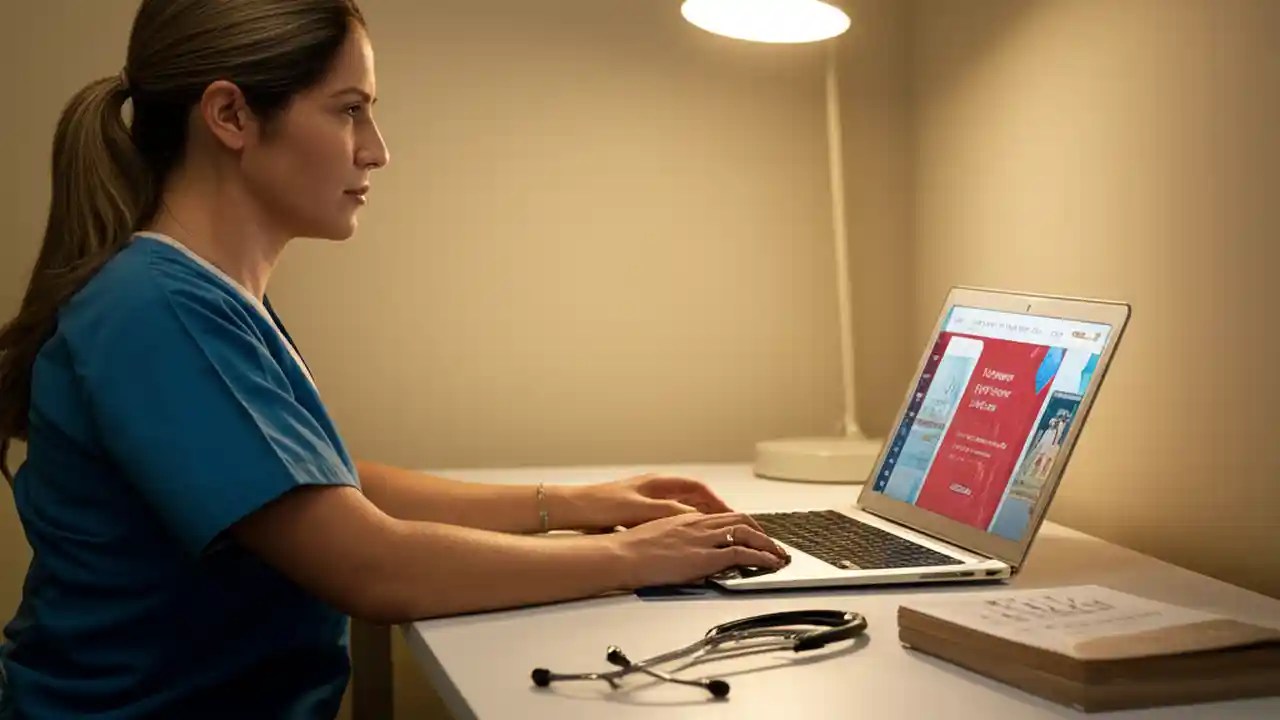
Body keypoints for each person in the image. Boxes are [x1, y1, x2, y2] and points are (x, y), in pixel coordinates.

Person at [0, 1, 789, 717]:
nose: (376, 151)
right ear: (232, 115)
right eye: (350, 112)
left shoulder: (197, 295)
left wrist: (583, 501)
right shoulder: (155, 309)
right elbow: (371, 568)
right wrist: (628, 556)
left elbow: (329, 486)